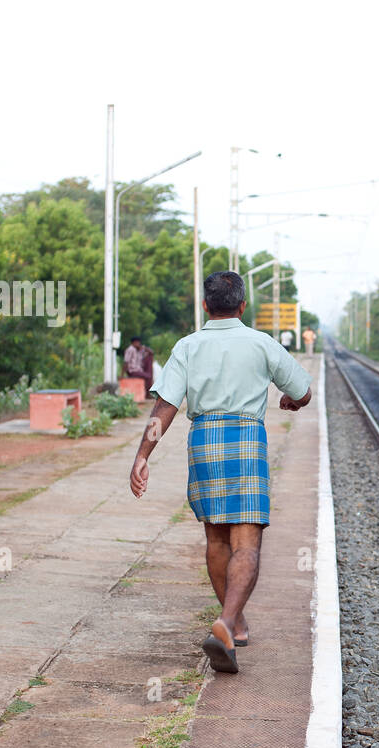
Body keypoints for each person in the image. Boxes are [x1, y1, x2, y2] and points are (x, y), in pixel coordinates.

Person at [129, 271, 312, 674]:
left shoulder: (189, 346)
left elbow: (165, 408)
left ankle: (235, 624)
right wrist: (289, 401)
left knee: (216, 537)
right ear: (243, 306)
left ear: (206, 306)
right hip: (247, 438)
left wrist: (142, 455)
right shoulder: (261, 343)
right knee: (246, 541)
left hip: (205, 440)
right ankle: (228, 623)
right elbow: (303, 391)